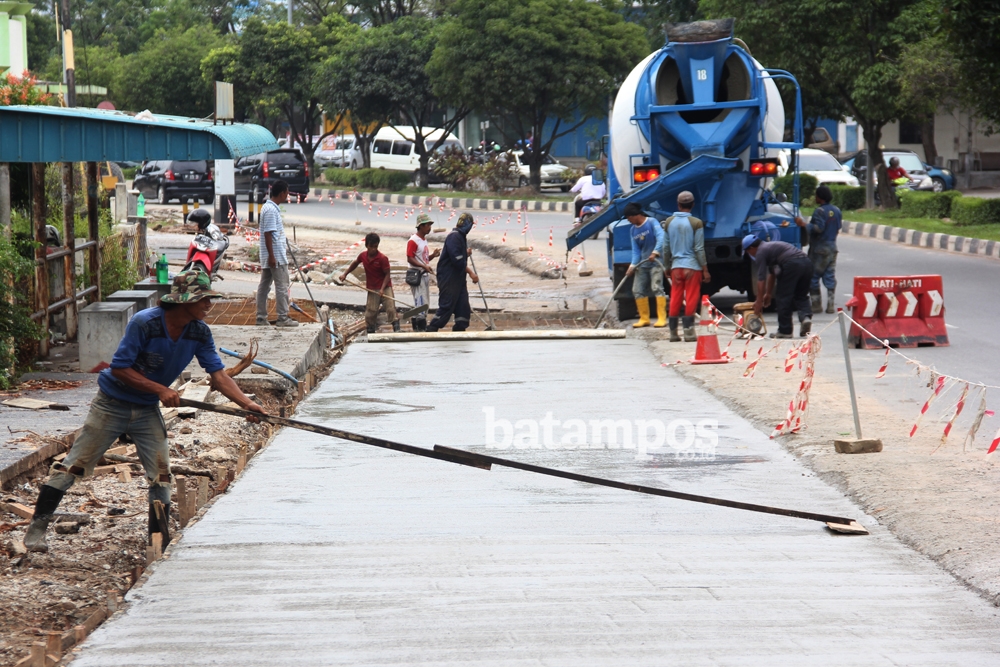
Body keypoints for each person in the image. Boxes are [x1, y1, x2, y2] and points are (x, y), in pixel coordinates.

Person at [21, 271, 265, 553]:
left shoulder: (199, 331)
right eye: (204, 299)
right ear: (184, 301)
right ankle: (37, 529)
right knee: (72, 467)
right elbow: (120, 368)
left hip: (146, 410)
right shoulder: (145, 323)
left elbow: (219, 377)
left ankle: (158, 539)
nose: (208, 305)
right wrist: (160, 389)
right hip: (112, 404)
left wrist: (246, 403)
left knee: (161, 474)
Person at [660, 191, 710, 342]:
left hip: (676, 267)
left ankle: (673, 333)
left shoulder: (669, 222)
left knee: (675, 297)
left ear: (678, 205)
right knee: (691, 297)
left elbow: (666, 248)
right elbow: (699, 249)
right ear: (693, 205)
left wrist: (667, 266)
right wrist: (705, 270)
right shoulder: (696, 223)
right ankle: (689, 333)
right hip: (692, 267)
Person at [743, 235, 812, 338]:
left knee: (783, 297)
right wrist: (768, 294)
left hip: (792, 264)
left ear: (751, 248)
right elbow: (772, 274)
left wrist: (758, 301)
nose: (750, 255)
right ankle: (805, 318)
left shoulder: (760, 252)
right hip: (807, 263)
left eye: (748, 252)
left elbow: (761, 279)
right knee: (801, 295)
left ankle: (785, 330)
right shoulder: (770, 248)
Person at [255, 180, 297, 327]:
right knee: (282, 286)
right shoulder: (271, 210)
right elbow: (268, 234)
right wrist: (272, 256)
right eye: (286, 193)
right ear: (281, 193)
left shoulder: (269, 208)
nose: (287, 195)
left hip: (271, 255)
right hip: (275, 256)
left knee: (264, 286)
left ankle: (261, 317)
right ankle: (282, 318)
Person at [426, 213, 478, 332]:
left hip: (458, 279)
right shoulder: (454, 237)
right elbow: (457, 260)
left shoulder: (461, 237)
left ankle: (460, 330)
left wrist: (466, 253)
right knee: (447, 305)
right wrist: (471, 273)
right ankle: (431, 329)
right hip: (449, 278)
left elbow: (459, 254)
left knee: (463, 306)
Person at [795, 185, 842, 314]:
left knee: (813, 276)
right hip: (832, 247)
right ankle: (831, 306)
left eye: (816, 196)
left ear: (820, 197)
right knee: (829, 275)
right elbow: (837, 229)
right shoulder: (837, 210)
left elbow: (818, 228)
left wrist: (803, 224)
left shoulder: (819, 211)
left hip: (819, 248)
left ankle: (816, 305)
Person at [340, 233, 398, 334]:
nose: (373, 249)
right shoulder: (363, 256)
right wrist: (345, 274)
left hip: (385, 287)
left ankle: (397, 330)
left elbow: (387, 275)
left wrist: (382, 289)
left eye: (375, 247)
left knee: (390, 308)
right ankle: (371, 333)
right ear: (367, 245)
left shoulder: (382, 258)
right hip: (372, 288)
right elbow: (355, 263)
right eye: (371, 247)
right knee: (371, 312)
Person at [623, 202, 666, 328]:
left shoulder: (651, 222)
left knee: (656, 288)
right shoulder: (633, 230)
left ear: (634, 215)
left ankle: (662, 318)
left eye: (628, 217)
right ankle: (644, 318)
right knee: (637, 290)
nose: (628, 220)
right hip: (643, 263)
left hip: (656, 263)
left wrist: (655, 252)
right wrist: (632, 266)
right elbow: (636, 250)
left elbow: (661, 237)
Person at [406, 214, 440, 331]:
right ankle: (420, 328)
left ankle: (417, 327)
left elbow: (423, 259)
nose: (429, 227)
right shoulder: (413, 241)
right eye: (427, 225)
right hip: (417, 275)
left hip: (424, 274)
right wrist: (423, 267)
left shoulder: (424, 240)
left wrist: (433, 256)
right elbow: (410, 258)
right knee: (421, 302)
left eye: (430, 225)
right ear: (420, 226)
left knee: (424, 302)